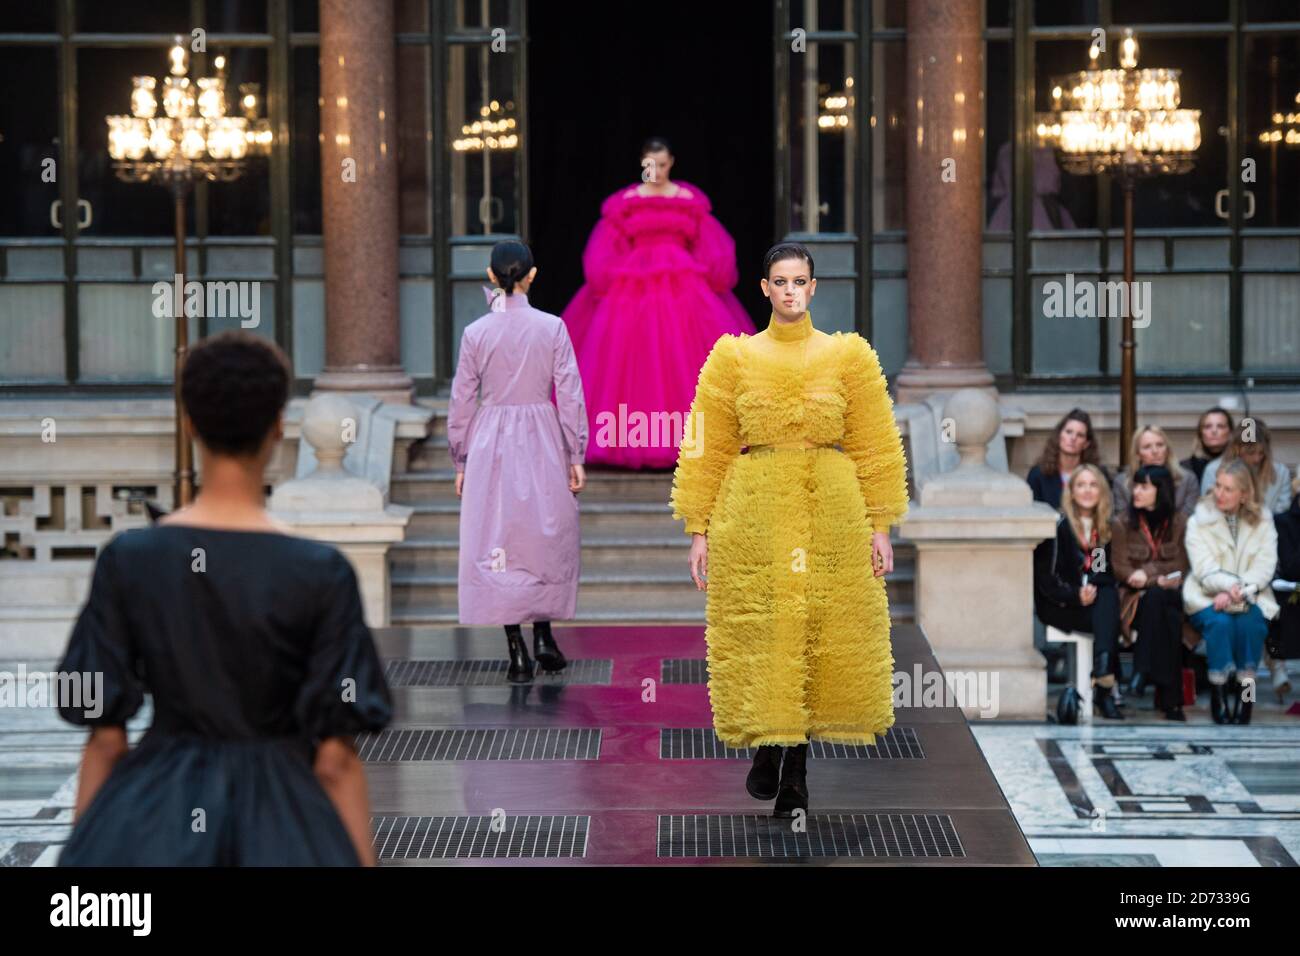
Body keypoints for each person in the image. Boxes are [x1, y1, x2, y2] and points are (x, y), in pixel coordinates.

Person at [55, 331, 393, 865]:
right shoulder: (320, 573)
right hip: (283, 825)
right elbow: (336, 761)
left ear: (189, 421)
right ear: (279, 425)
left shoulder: (129, 560)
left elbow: (105, 740)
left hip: (156, 819)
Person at [670, 241, 908, 818]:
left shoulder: (848, 357)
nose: (790, 291)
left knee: (817, 632)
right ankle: (769, 744)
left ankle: (795, 770)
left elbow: (875, 442)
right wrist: (698, 527)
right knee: (765, 629)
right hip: (755, 507)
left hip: (831, 505)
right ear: (764, 288)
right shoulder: (734, 360)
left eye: (799, 281)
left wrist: (881, 524)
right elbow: (708, 445)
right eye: (780, 281)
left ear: (813, 286)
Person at [561, 136, 757, 469]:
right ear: (642, 163)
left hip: (684, 288)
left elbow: (714, 247)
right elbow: (604, 250)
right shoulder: (626, 201)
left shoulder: (687, 199)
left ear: (672, 163)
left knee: (683, 354)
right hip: (633, 287)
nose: (657, 171)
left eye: (663, 164)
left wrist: (710, 274)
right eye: (651, 164)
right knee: (634, 359)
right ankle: (633, 438)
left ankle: (696, 438)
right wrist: (611, 277)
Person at [448, 240, 588, 682]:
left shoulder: (476, 333)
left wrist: (461, 458)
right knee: (540, 534)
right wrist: (575, 451)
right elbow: (569, 394)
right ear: (531, 275)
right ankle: (543, 634)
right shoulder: (552, 327)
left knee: (500, 535)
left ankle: (517, 650)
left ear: (492, 276)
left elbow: (461, 402)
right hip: (542, 437)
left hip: (491, 441)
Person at [1183, 460, 1280, 725]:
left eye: (1228, 489)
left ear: (1244, 494)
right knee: (1221, 623)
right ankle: (1219, 695)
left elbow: (1265, 566)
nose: (1219, 493)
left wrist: (1240, 590)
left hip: (1252, 594)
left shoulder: (1264, 520)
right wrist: (1228, 588)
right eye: (1218, 486)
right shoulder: (1198, 521)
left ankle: (1246, 700)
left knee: (1251, 626)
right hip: (1208, 595)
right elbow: (1204, 568)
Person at [1032, 464, 1124, 718]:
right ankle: (1105, 683)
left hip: (1093, 604)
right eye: (1081, 485)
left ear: (1102, 491)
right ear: (1071, 492)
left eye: (1093, 485)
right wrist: (1075, 594)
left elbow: (1099, 573)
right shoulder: (1058, 526)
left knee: (1105, 593)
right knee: (1108, 612)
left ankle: (1104, 674)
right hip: (1059, 605)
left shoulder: (1103, 529)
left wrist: (1089, 590)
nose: (1087, 490)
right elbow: (1047, 580)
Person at [1110, 465, 1191, 721]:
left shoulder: (1179, 522)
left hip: (1173, 593)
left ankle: (1142, 671)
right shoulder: (1123, 522)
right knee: (1165, 611)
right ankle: (1170, 699)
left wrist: (1148, 574)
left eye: (1144, 486)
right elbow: (1120, 567)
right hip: (1136, 601)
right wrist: (1156, 580)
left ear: (1161, 490)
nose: (1136, 491)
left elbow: (1181, 564)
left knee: (1165, 604)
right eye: (1135, 485)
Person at [1200, 417, 1293, 515]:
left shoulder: (1281, 473)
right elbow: (1208, 509)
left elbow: (1282, 513)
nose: (1257, 459)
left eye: (1261, 453)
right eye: (1251, 453)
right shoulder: (1213, 470)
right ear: (1237, 448)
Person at [1111, 425, 1200, 517]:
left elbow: (1189, 519)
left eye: (1160, 445)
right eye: (1147, 447)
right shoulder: (1122, 482)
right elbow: (1122, 522)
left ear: (1167, 450)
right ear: (1137, 454)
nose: (1155, 451)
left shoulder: (1187, 479)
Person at [1026, 408, 1105, 510]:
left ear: (1086, 444)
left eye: (1080, 435)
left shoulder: (1097, 475)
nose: (1073, 438)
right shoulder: (1038, 475)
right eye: (1068, 432)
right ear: (1059, 436)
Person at [1180, 406, 1233, 486]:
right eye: (1208, 426)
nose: (1214, 431)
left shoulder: (1239, 464)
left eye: (1220, 426)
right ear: (1200, 433)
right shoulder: (1184, 468)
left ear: (1230, 432)